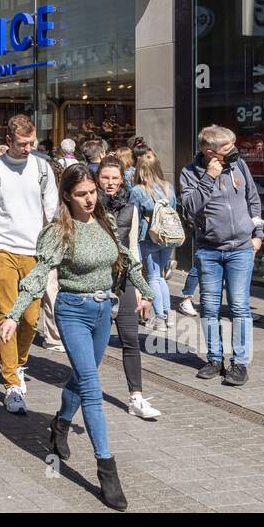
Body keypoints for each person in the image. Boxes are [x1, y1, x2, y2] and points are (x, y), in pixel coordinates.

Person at [0, 164, 130, 511]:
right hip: (72, 310)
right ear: (68, 197)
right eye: (82, 194)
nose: (90, 199)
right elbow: (39, 274)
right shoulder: (59, 232)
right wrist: (13, 315)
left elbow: (127, 260)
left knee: (80, 377)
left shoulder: (106, 222)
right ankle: (106, 468)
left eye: (93, 192)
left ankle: (59, 423)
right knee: (91, 386)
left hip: (104, 312)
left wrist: (145, 294)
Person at [0, 114, 58, 413]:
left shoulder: (42, 168)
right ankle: (10, 383)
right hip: (2, 250)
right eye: (23, 143)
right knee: (8, 314)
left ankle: (19, 363)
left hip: (34, 251)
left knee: (32, 318)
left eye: (32, 142)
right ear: (8, 141)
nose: (28, 148)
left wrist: (56, 249)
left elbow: (53, 212)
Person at [179, 125, 264, 387]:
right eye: (228, 149)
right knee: (210, 307)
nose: (235, 152)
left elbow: (253, 198)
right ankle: (215, 359)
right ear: (210, 152)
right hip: (209, 249)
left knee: (239, 306)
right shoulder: (189, 173)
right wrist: (209, 178)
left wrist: (258, 231)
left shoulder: (239, 166)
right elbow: (190, 207)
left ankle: (240, 363)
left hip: (241, 248)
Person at [96, 157, 159, 419]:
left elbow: (133, 248)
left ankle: (136, 397)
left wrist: (142, 288)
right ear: (97, 178)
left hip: (122, 278)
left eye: (115, 178)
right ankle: (84, 392)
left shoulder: (130, 208)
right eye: (105, 178)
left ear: (123, 179)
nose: (110, 183)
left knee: (130, 339)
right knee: (94, 343)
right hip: (94, 282)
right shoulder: (87, 203)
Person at [129, 150, 179, 332]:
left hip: (147, 237)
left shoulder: (137, 191)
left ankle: (159, 318)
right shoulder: (168, 187)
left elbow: (133, 217)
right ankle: (168, 315)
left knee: (152, 277)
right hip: (167, 237)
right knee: (160, 277)